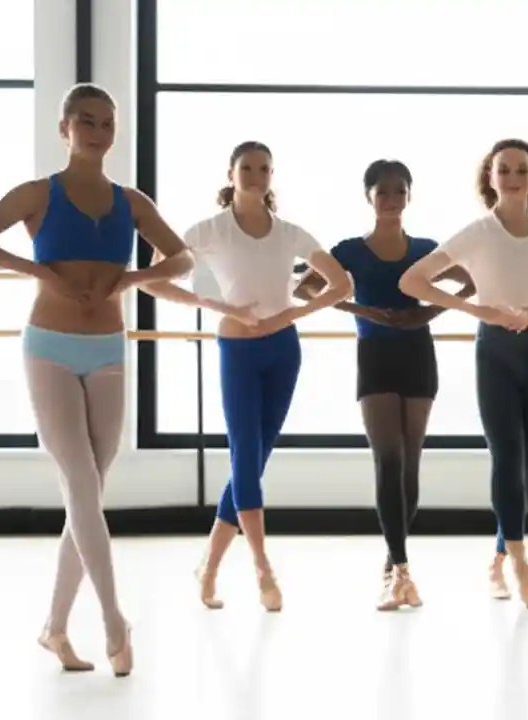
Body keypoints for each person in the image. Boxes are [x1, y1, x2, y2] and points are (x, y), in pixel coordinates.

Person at [0, 83, 196, 676]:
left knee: (87, 492)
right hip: (50, 349)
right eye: (85, 120)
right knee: (81, 483)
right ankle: (115, 617)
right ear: (65, 128)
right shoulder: (38, 194)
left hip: (108, 349)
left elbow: (182, 257)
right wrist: (36, 269)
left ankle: (55, 628)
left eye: (107, 122)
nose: (97, 130)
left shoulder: (130, 200)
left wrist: (130, 279)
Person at [140, 141, 352, 612]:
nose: (256, 175)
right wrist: (210, 305)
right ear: (231, 173)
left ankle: (209, 567)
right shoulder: (209, 230)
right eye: (247, 168)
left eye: (264, 168)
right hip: (236, 349)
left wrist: (295, 311)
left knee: (251, 462)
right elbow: (155, 278)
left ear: (272, 175)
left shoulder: (291, 233)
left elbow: (343, 284)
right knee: (245, 454)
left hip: (283, 351)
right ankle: (261, 566)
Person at [399, 138, 528, 609]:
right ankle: (522, 562)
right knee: (506, 455)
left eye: (521, 170)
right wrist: (475, 308)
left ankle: (501, 556)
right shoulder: (476, 233)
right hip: (496, 350)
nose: (513, 178)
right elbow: (413, 280)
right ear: (491, 178)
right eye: (504, 170)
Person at [294, 159, 475, 610]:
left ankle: (394, 558)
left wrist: (427, 312)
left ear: (409, 196)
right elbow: (304, 290)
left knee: (411, 462)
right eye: (383, 193)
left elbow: (469, 283)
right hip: (374, 356)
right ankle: (399, 568)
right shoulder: (350, 250)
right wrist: (364, 311)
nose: (391, 201)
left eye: (399, 192)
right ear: (369, 198)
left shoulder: (426, 249)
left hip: (418, 354)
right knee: (387, 459)